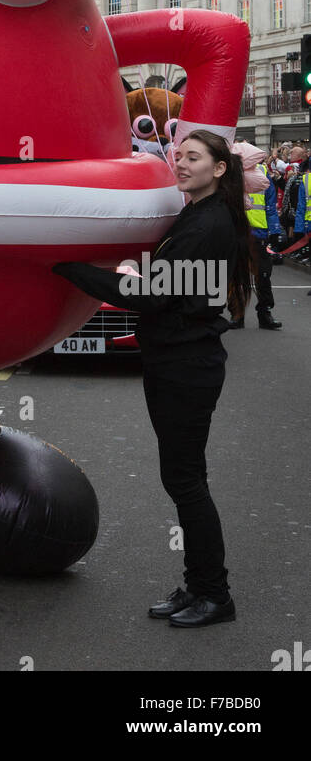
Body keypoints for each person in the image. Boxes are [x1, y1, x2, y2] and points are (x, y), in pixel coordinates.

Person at [53, 129, 252, 629]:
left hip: (187, 366)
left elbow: (153, 295)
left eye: (194, 158)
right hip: (175, 360)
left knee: (186, 481)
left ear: (220, 168)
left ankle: (214, 593)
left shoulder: (207, 223)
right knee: (182, 478)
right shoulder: (197, 214)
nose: (181, 164)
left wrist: (72, 270)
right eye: (178, 156)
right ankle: (198, 585)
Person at [232, 171, 283, 331]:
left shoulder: (264, 174)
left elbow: (270, 204)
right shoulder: (232, 174)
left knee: (264, 275)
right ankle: (236, 314)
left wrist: (275, 230)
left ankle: (265, 313)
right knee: (236, 276)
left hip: (259, 233)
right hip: (238, 232)